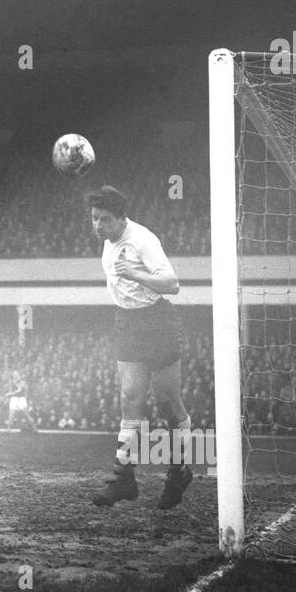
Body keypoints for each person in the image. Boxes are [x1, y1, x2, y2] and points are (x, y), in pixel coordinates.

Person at [86, 187, 194, 509]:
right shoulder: (108, 241)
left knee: (167, 403)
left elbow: (172, 284)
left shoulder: (144, 240)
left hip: (157, 321)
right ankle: (124, 478)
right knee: (130, 397)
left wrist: (135, 272)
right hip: (128, 323)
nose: (98, 225)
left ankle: (179, 471)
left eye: (105, 219)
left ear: (122, 217)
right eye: (94, 219)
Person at [3, 369, 35, 434]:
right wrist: (7, 398)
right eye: (14, 375)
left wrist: (9, 394)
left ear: (19, 375)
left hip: (21, 399)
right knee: (11, 414)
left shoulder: (22, 382)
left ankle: (34, 428)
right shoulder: (12, 382)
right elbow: (10, 391)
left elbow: (19, 391)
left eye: (16, 374)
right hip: (14, 399)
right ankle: (8, 430)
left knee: (26, 414)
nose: (15, 376)